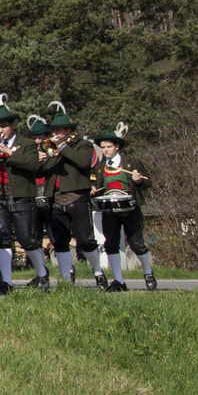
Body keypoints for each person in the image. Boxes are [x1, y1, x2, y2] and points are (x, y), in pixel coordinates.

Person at [0, 100, 51, 290]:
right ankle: (6, 281)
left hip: (21, 197)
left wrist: (9, 152)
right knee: (2, 238)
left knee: (27, 239)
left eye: (4, 126)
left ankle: (42, 274)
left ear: (13, 125)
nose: (0, 130)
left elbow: (32, 165)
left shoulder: (27, 144)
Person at [90, 125, 156, 290]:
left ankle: (148, 272)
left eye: (109, 147)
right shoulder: (99, 168)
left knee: (137, 244)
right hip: (109, 210)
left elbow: (148, 182)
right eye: (103, 148)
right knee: (110, 244)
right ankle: (119, 281)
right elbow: (95, 186)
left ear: (117, 147)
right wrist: (92, 189)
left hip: (130, 209)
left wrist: (139, 180)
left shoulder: (131, 162)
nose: (105, 151)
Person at [42, 105, 102, 286]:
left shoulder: (83, 145)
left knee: (85, 239)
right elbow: (43, 170)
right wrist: (48, 154)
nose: (55, 134)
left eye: (58, 131)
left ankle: (98, 272)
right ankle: (67, 280)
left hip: (77, 196)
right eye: (53, 131)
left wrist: (64, 147)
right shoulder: (52, 149)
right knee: (59, 241)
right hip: (56, 198)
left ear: (68, 131)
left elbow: (84, 162)